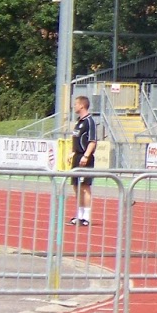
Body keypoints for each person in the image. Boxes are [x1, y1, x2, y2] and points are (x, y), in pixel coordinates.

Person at [68, 94, 99, 226]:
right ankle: (79, 215)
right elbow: (76, 139)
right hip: (77, 156)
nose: (74, 106)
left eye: (76, 104)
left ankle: (86, 216)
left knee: (85, 187)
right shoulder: (78, 122)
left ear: (82, 105)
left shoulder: (89, 121)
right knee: (77, 187)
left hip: (85, 157)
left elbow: (92, 141)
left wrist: (86, 155)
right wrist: (72, 153)